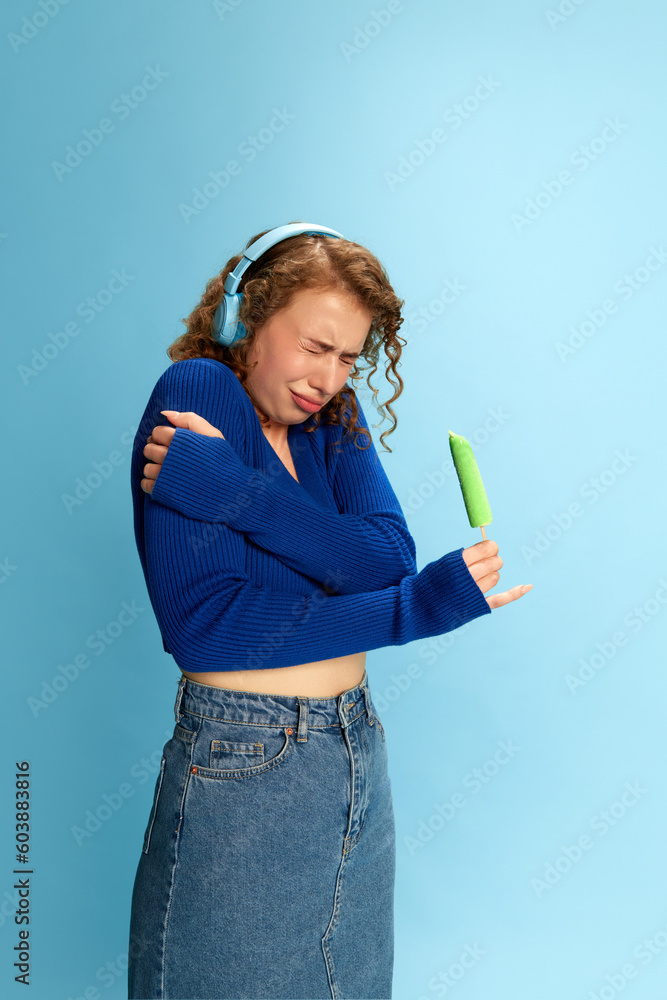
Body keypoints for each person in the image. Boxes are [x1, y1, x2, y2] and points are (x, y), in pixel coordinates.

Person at [126, 222, 532, 1000]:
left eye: (349, 357)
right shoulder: (198, 394)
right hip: (243, 765)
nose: (329, 377)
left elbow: (385, 560)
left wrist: (238, 495)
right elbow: (206, 621)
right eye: (315, 346)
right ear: (248, 316)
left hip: (352, 750)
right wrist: (407, 611)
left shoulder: (331, 422)